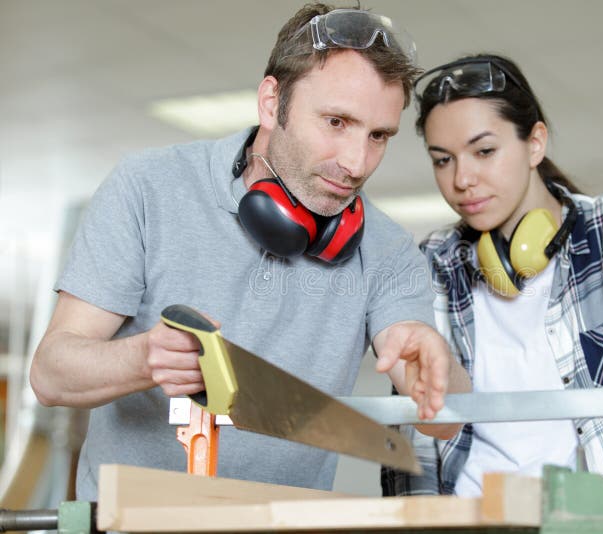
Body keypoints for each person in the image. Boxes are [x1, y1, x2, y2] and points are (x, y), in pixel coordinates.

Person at [29, 4, 471, 501]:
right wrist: (142, 358)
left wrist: (438, 372)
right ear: (270, 102)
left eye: (378, 136)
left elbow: (445, 422)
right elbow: (51, 373)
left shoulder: (386, 249)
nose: (356, 163)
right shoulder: (148, 187)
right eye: (336, 122)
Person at [382, 54, 603, 497]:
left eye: (484, 151)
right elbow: (416, 439)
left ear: (535, 143)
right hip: (470, 520)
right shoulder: (436, 259)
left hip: (591, 520)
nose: (462, 179)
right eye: (442, 160)